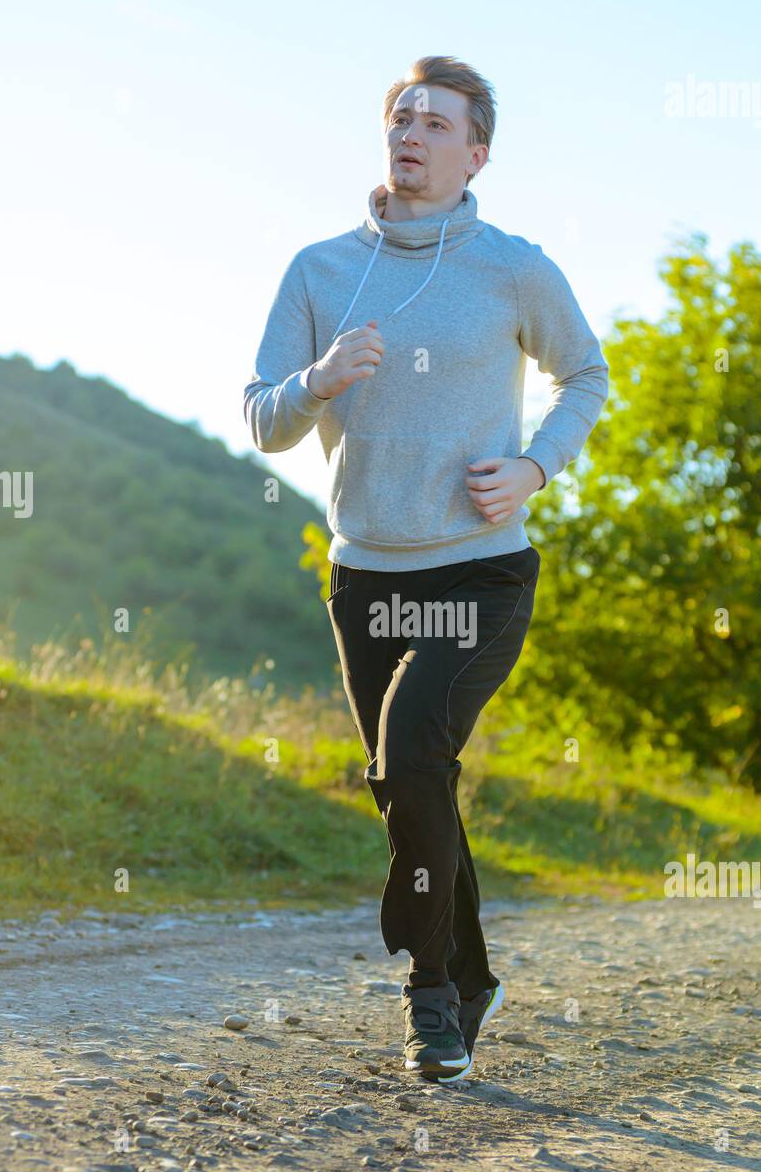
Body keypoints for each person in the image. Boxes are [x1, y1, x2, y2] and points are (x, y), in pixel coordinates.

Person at [243, 55, 609, 1083]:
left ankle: (429, 997)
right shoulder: (320, 270)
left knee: (409, 755)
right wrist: (318, 381)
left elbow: (585, 373)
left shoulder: (513, 268)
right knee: (412, 788)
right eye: (402, 117)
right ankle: (473, 975)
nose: (412, 133)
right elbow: (265, 419)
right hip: (364, 577)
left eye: (437, 123)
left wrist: (535, 466)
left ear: (476, 154)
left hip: (480, 571)